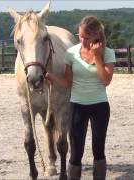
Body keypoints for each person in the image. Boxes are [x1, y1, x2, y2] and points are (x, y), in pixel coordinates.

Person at [45, 15, 116, 180]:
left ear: (97, 34)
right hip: (77, 106)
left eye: (86, 37)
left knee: (98, 150)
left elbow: (105, 81)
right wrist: (51, 78)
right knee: (76, 153)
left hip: (100, 107)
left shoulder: (108, 53)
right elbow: (67, 82)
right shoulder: (71, 53)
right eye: (80, 36)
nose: (82, 40)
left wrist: (97, 56)